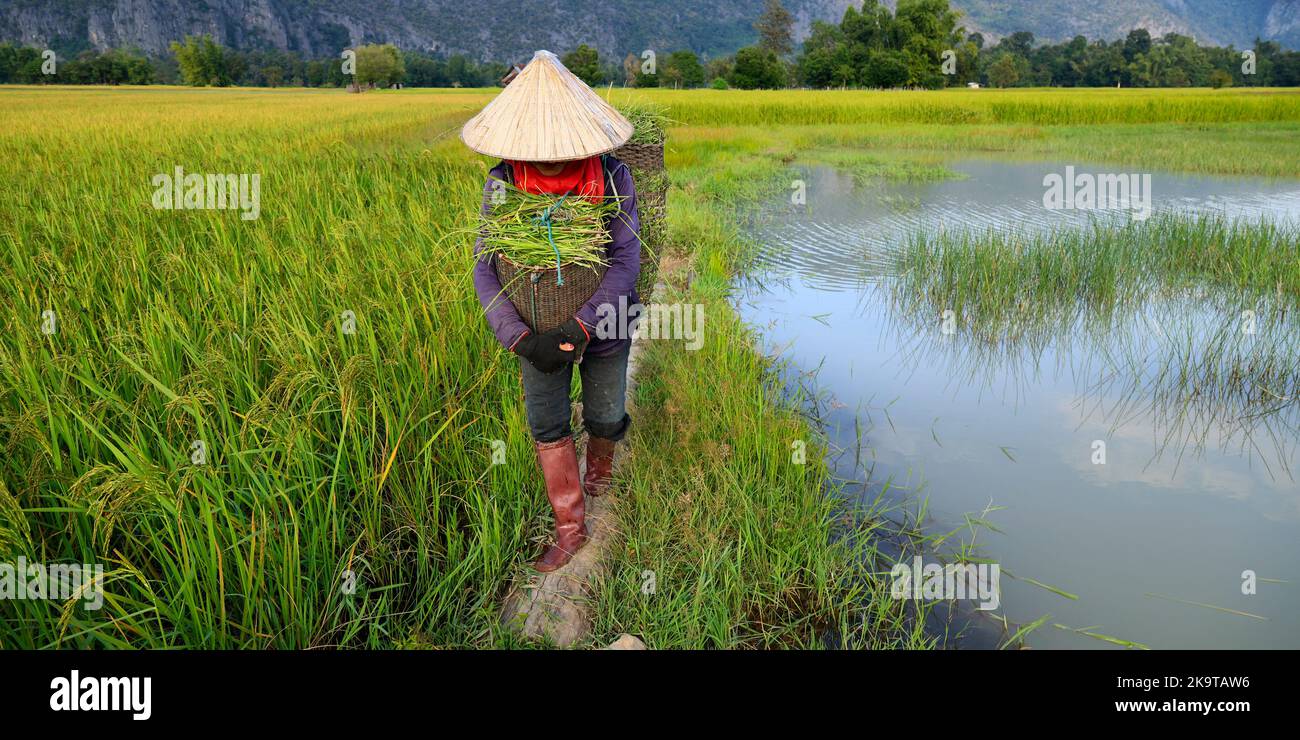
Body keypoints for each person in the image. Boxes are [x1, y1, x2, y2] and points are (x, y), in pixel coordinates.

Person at [462, 51, 641, 572]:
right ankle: (570, 527)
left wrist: (581, 325)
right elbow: (484, 266)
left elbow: (625, 260)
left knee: (604, 414)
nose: (549, 156)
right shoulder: (503, 183)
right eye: (537, 148)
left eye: (559, 147)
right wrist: (519, 338)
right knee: (547, 424)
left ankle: (601, 473)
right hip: (535, 335)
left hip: (605, 326)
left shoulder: (612, 178)